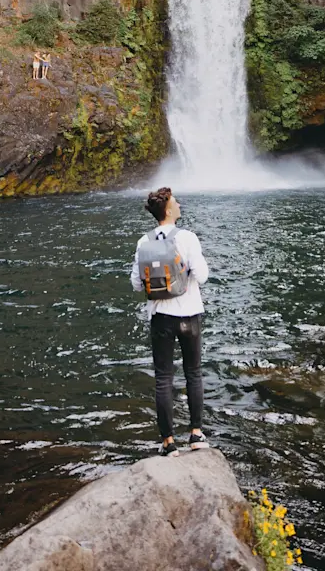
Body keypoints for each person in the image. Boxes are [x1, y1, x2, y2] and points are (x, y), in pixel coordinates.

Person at [130, 186, 209, 457]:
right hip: (189, 314)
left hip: (160, 317)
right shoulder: (187, 237)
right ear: (168, 209)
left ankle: (168, 443)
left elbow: (136, 284)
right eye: (175, 201)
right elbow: (202, 275)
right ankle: (196, 434)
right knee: (193, 373)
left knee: (164, 378)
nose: (178, 204)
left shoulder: (144, 241)